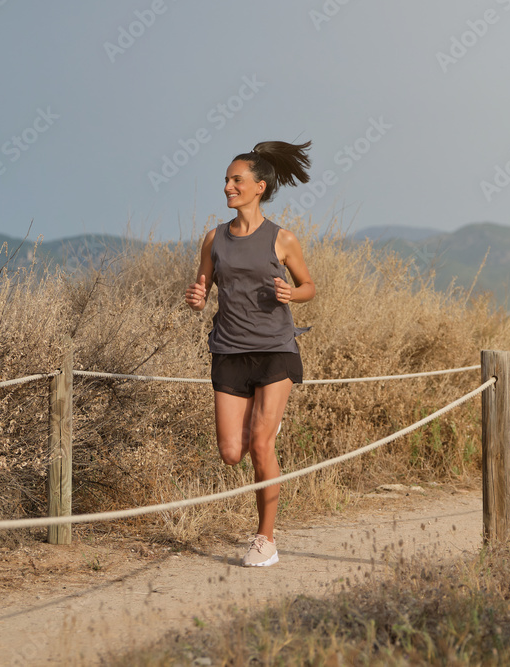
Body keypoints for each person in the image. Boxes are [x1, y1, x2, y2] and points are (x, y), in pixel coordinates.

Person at [184, 140, 316, 567]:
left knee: (260, 444)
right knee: (230, 452)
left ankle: (265, 538)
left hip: (276, 349)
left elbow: (309, 287)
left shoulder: (283, 239)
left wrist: (291, 294)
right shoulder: (214, 239)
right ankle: (265, 428)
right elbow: (202, 286)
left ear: (259, 186)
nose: (227, 187)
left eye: (236, 180)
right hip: (229, 351)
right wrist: (197, 298)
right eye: (225, 180)